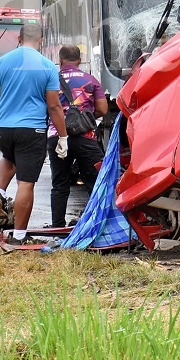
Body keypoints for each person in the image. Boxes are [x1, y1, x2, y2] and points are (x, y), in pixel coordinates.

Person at [0, 23, 68, 246]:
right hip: (32, 128)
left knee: (8, 158)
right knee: (26, 184)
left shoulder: (2, 63)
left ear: (19, 38)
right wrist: (63, 137)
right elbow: (54, 106)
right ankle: (18, 236)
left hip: (4, 128)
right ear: (42, 40)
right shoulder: (47, 66)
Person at [47, 45, 108, 228]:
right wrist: (85, 119)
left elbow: (47, 107)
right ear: (79, 60)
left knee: (60, 184)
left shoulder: (52, 81)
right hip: (85, 137)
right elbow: (103, 109)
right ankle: (97, 224)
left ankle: (57, 226)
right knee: (94, 181)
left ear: (60, 60)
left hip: (57, 137)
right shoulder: (90, 80)